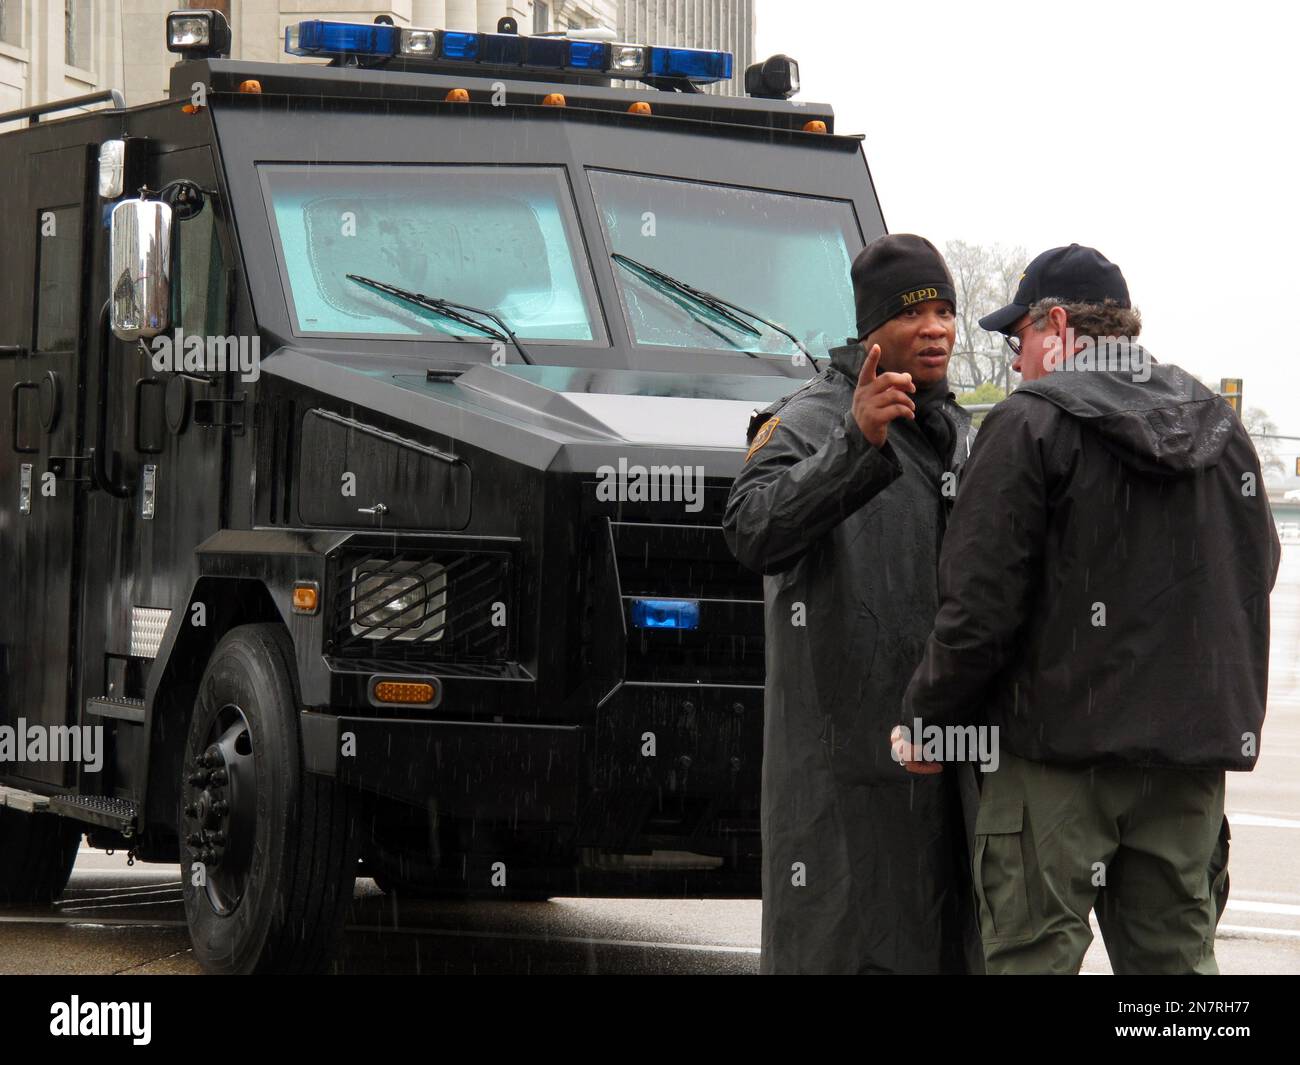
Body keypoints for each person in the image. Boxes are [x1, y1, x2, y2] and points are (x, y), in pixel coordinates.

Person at [897, 244, 1281, 974]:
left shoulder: (1027, 425)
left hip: (1054, 757)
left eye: (1018, 338)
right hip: (1185, 763)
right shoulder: (1218, 426)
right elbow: (1256, 567)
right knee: (1178, 973)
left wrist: (927, 718)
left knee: (1032, 959)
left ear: (1058, 326)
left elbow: (979, 606)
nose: (1014, 360)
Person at [723, 233, 979, 974]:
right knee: (842, 945)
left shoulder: (961, 432)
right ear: (872, 329)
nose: (935, 329)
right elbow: (750, 528)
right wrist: (855, 444)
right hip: (840, 767)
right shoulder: (805, 420)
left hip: (944, 760)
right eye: (913, 312)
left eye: (945, 311)